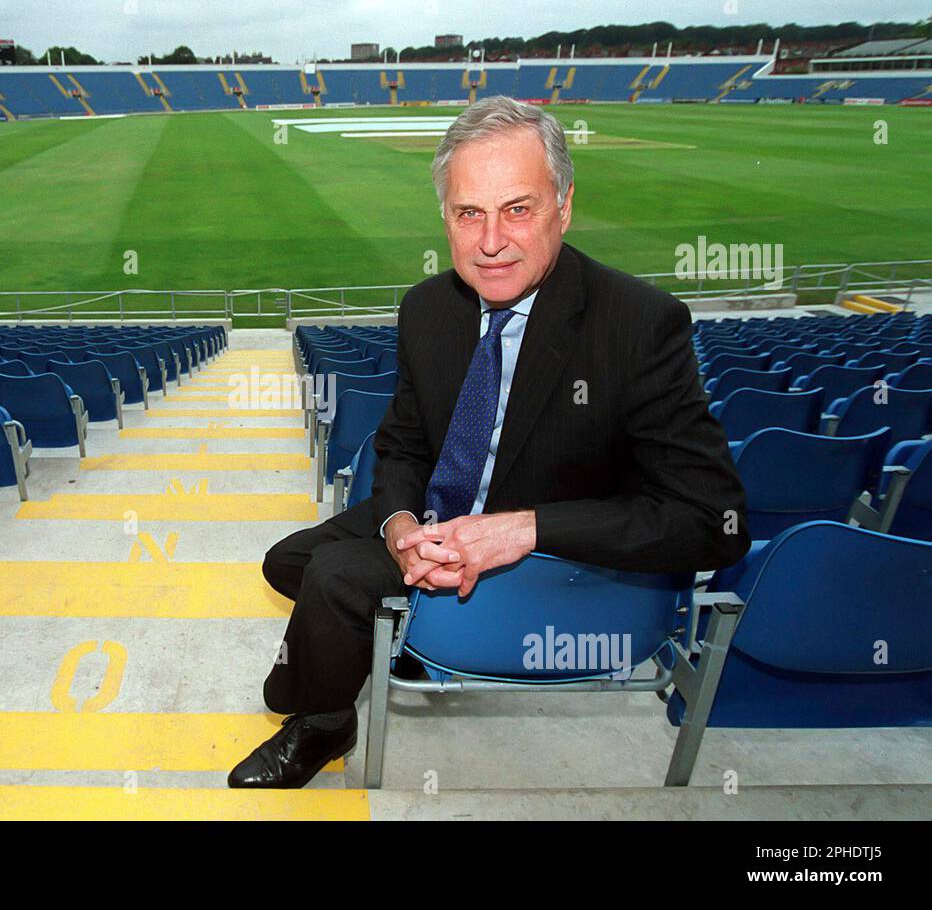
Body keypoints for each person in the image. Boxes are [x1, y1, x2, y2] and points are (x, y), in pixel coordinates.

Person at [228, 95, 749, 789]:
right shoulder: (426, 308)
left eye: (518, 208)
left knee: (334, 577)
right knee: (286, 558)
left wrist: (523, 530)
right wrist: (401, 524)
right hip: (440, 514)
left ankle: (324, 720)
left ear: (564, 206)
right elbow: (405, 445)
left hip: (549, 555)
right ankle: (386, 629)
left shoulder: (640, 323)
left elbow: (714, 520)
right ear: (445, 216)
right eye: (469, 212)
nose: (491, 240)